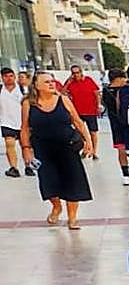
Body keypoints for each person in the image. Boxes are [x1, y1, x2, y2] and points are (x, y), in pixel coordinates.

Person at [20, 70, 94, 228]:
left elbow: (78, 121)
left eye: (52, 81)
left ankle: (72, 218)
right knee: (48, 182)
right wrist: (26, 148)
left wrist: (88, 141)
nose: (52, 84)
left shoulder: (63, 99)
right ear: (37, 86)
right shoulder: (28, 103)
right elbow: (25, 128)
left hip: (67, 146)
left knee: (73, 181)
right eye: (47, 82)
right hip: (42, 148)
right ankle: (56, 206)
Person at [65, 65, 102, 160]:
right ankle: (86, 149)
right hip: (77, 112)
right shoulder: (71, 83)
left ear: (81, 72)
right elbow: (62, 93)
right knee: (80, 132)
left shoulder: (88, 80)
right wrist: (68, 82)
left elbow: (97, 93)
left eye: (77, 72)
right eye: (73, 73)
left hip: (90, 110)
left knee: (93, 132)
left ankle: (94, 151)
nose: (76, 75)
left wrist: (98, 105)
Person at [103, 68, 127, 181]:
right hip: (127, 122)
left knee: (120, 148)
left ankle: (125, 174)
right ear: (118, 78)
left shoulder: (106, 91)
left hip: (115, 123)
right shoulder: (125, 90)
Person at [0, 66, 25, 177]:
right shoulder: (0, 90)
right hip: (6, 122)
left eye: (11, 76)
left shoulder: (22, 89)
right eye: (6, 76)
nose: (9, 78)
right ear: (2, 78)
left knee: (25, 145)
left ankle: (28, 165)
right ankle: (14, 168)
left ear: (14, 77)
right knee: (9, 145)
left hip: (22, 122)